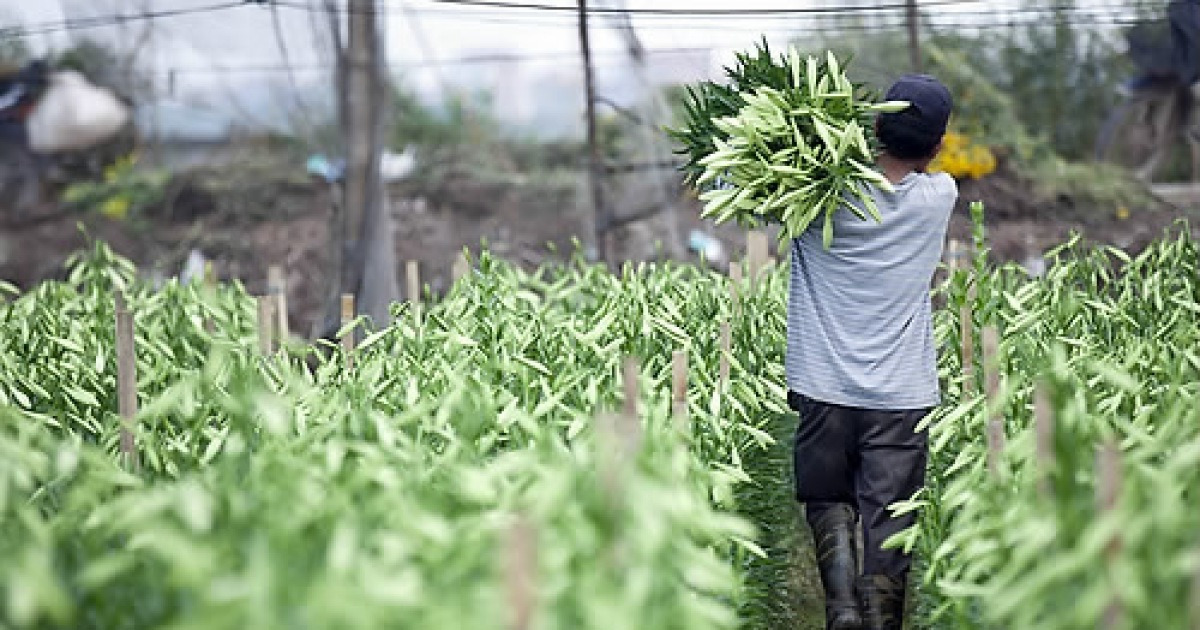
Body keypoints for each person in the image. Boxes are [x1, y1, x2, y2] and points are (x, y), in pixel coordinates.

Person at [788, 74, 956, 630]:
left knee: (828, 498)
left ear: (874, 126)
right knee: (890, 516)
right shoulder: (940, 197)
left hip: (823, 385)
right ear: (935, 146)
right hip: (901, 396)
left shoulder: (811, 198)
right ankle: (881, 622)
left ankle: (840, 610)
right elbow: (917, 167)